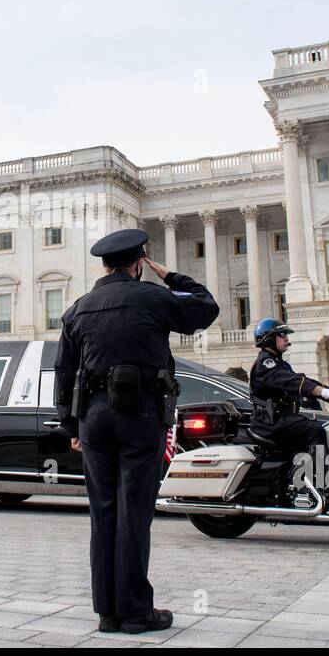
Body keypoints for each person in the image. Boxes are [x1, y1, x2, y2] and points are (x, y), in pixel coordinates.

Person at [55, 229, 219, 634]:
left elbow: (64, 372)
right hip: (139, 415)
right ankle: (134, 612)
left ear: (105, 265)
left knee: (104, 513)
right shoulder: (152, 297)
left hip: (93, 418)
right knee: (134, 512)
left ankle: (107, 612)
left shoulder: (78, 308)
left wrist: (70, 424)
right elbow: (205, 309)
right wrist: (173, 278)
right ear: (138, 263)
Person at [247, 318, 329, 461]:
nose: (286, 338)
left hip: (280, 419)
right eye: (282, 335)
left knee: (323, 426)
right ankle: (323, 478)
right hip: (270, 422)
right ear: (269, 339)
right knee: (316, 431)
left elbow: (303, 380)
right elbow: (291, 382)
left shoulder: (280, 363)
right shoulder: (265, 363)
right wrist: (322, 392)